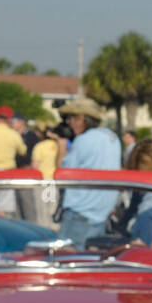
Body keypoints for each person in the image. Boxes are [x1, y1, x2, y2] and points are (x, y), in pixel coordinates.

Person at [53, 97, 120, 246]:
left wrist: (62, 147)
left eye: (71, 118)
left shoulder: (83, 140)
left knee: (65, 260)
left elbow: (61, 174)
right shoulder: (112, 137)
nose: (69, 122)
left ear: (82, 118)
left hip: (80, 213)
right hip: (101, 214)